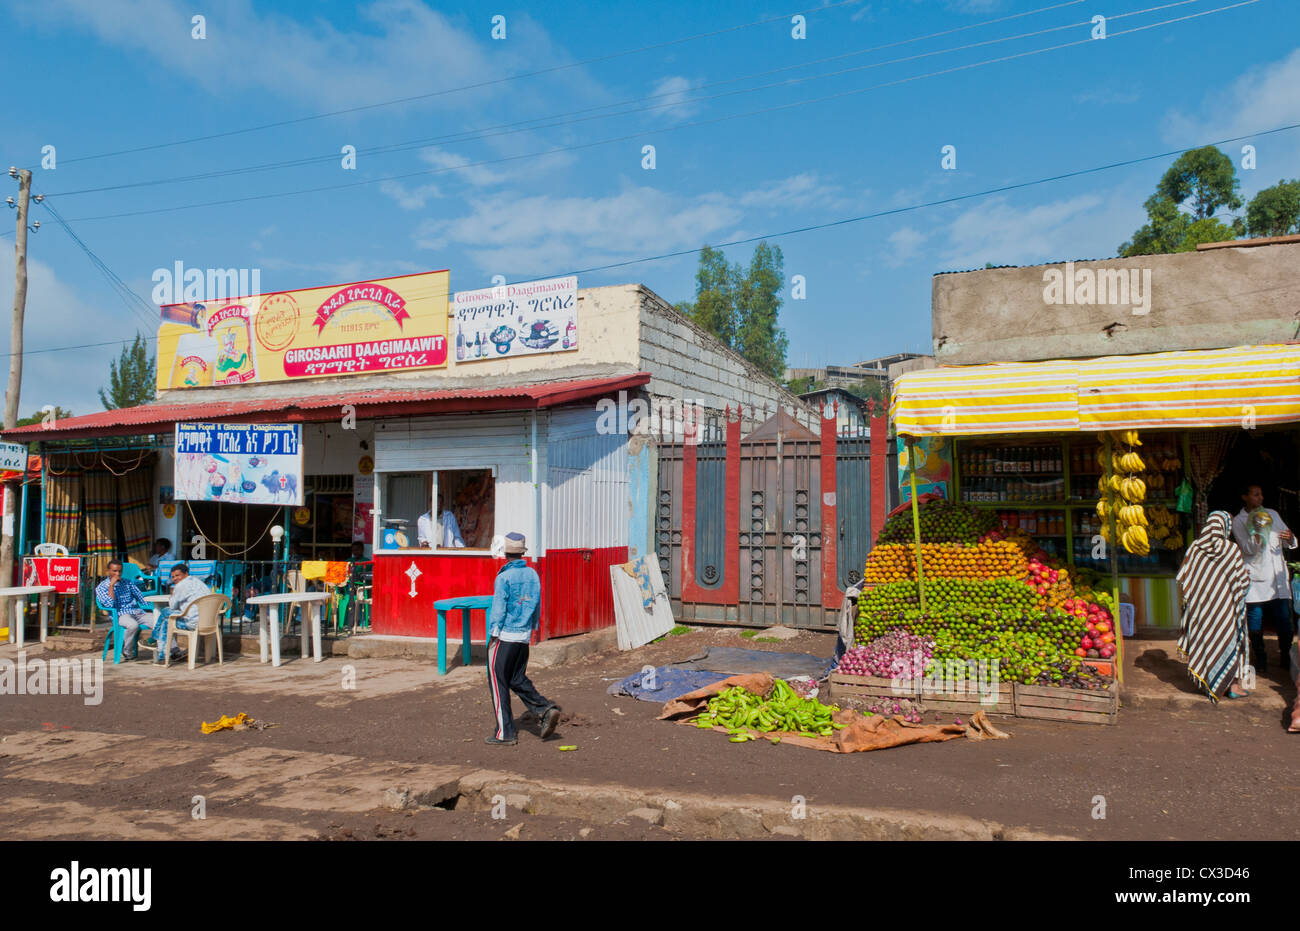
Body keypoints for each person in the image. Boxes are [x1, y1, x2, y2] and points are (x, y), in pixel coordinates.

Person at [484, 532, 559, 746]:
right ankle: (544, 708)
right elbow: (536, 606)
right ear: (522, 552)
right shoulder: (532, 575)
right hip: (524, 636)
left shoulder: (503, 577)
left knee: (498, 682)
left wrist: (493, 634)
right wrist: (531, 628)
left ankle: (505, 733)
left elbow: (498, 610)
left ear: (505, 552)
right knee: (517, 679)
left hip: (505, 636)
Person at [1177, 511, 1252, 702]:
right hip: (1227, 609)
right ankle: (1233, 687)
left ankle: (1211, 683)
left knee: (1207, 640)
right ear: (1225, 527)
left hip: (1202, 609)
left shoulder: (1195, 548)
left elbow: (1184, 578)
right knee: (1232, 642)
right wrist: (1246, 577)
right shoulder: (1231, 549)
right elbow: (1242, 582)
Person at [1231, 483, 1297, 673]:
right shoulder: (1240, 521)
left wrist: (1290, 538)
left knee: (1284, 618)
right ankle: (1260, 658)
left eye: (1261, 494)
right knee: (1255, 618)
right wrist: (1259, 532)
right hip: (1256, 576)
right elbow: (1247, 549)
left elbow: (1289, 541)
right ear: (1245, 497)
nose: (1260, 498)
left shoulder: (1272, 514)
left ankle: (1285, 656)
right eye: (1255, 494)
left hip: (1277, 575)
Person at [94, 560, 151, 660]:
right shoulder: (101, 587)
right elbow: (110, 604)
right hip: (121, 615)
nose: (118, 574)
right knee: (133, 625)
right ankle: (127, 651)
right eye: (115, 571)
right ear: (108, 571)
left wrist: (151, 608)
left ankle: (172, 651)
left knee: (162, 620)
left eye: (120, 571)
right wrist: (111, 586)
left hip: (137, 612)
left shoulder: (128, 582)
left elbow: (141, 597)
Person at [159, 563, 211, 663]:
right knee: (166, 614)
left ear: (186, 574)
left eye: (177, 575)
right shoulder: (199, 582)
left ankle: (163, 656)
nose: (174, 579)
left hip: (193, 623)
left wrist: (172, 594)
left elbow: (173, 606)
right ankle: (168, 647)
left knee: (166, 620)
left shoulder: (181, 585)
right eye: (173, 576)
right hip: (209, 622)